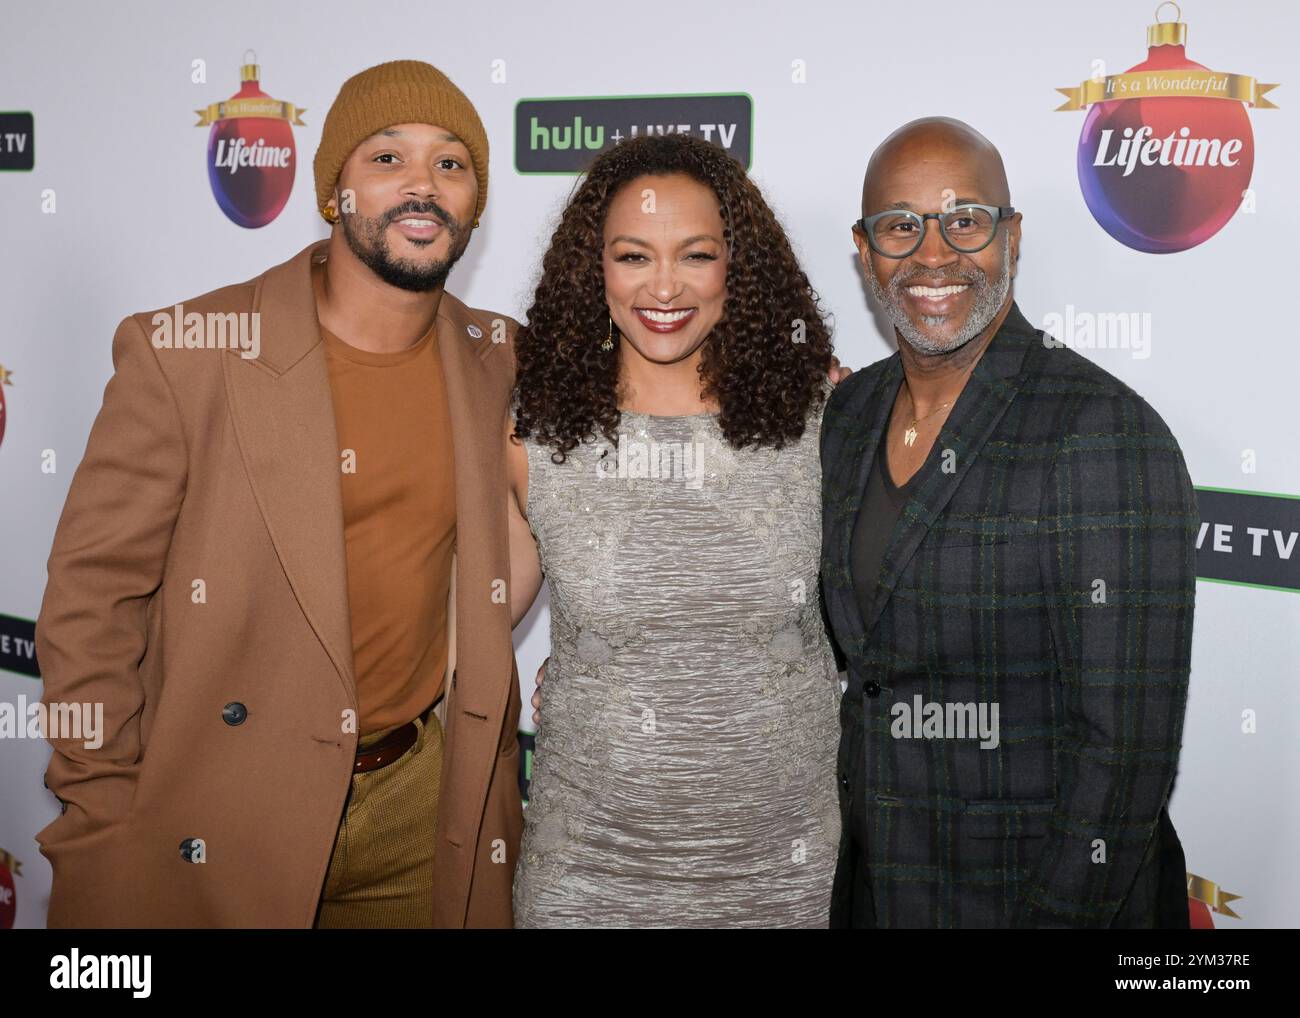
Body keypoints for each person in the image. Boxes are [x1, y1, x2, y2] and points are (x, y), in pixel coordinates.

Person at [35, 60, 522, 928]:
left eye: (451, 163)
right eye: (387, 159)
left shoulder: (500, 358)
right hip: (222, 817)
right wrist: (102, 825)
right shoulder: (186, 352)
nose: (423, 185)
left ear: (476, 203)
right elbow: (89, 607)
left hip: (419, 810)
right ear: (332, 191)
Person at [821, 117, 1197, 928]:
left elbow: (1125, 752)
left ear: (1011, 235)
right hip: (880, 882)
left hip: (1042, 896)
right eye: (900, 225)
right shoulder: (849, 413)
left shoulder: (1103, 431)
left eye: (964, 220)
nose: (931, 254)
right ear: (864, 248)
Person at [506, 133, 844, 927]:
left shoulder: (824, 424)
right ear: (595, 270)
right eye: (632, 256)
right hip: (588, 878)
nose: (664, 285)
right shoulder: (534, 439)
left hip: (786, 876)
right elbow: (466, 627)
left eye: (696, 255)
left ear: (739, 268)